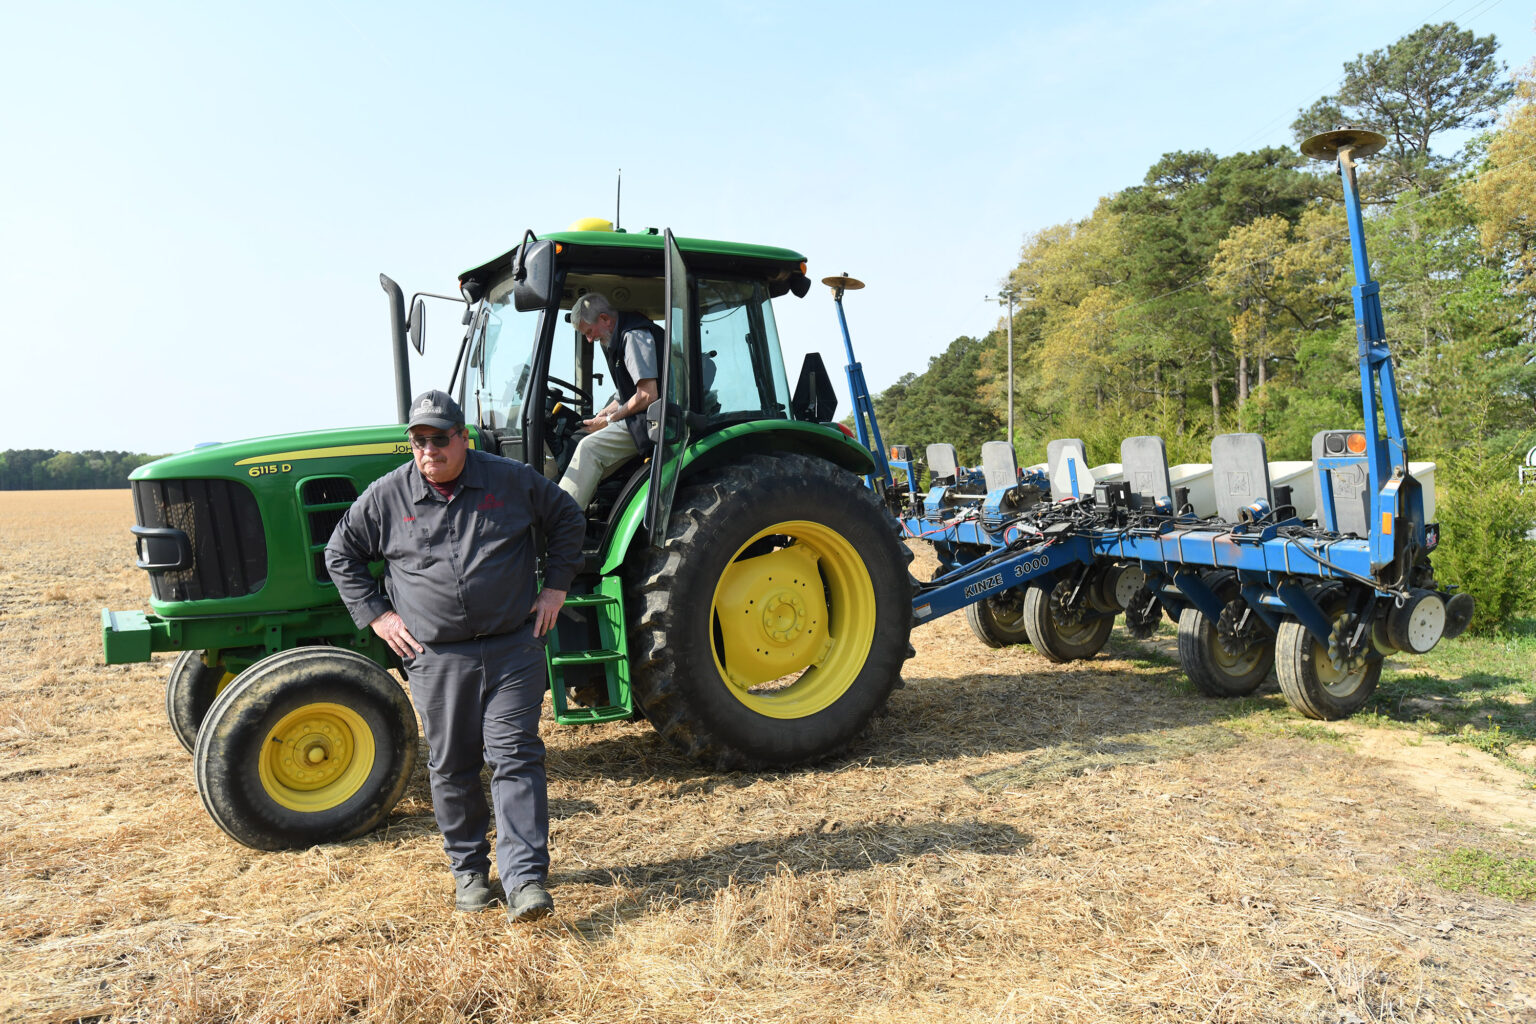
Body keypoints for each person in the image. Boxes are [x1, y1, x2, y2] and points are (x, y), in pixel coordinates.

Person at [324, 389, 585, 923]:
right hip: (436, 657)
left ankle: (525, 880)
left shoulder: (509, 480)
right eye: (419, 441)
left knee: (515, 755)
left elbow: (566, 517)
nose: (430, 451)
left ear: (463, 438)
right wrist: (379, 616)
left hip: (512, 646)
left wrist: (555, 588)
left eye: (440, 439)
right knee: (451, 765)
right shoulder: (387, 496)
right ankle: (469, 872)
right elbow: (340, 553)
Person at [557, 292, 662, 508]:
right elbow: (627, 393)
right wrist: (605, 413)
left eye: (589, 332)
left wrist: (610, 420)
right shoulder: (619, 337)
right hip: (643, 416)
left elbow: (647, 394)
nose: (589, 339)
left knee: (588, 449)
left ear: (604, 319)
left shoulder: (633, 336)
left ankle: (562, 520)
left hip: (655, 420)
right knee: (580, 438)